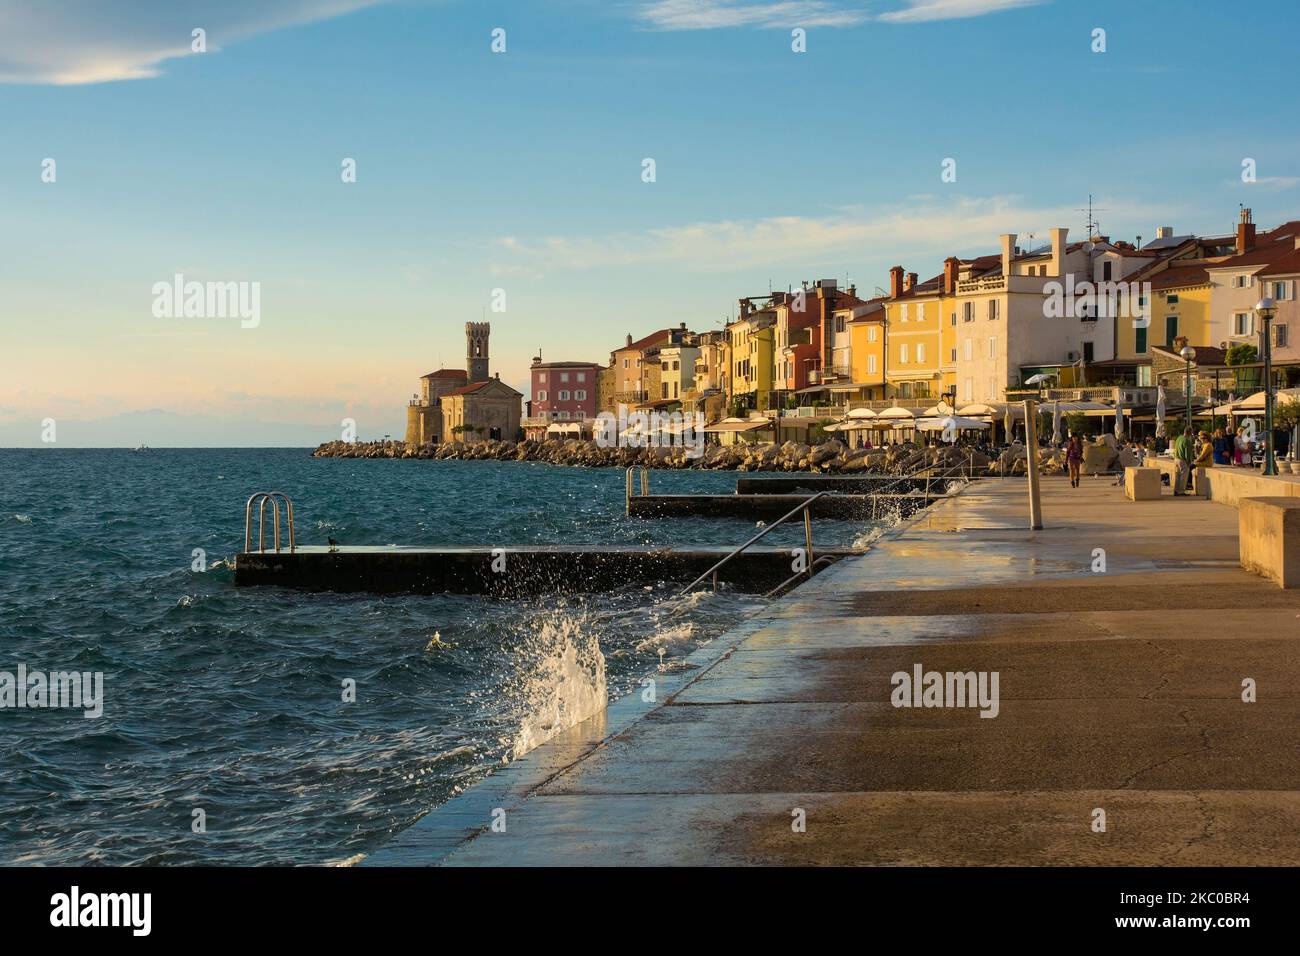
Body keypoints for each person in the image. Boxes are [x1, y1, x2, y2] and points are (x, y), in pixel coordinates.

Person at [1173, 426, 1194, 495]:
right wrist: (1188, 462)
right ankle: (1181, 491)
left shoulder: (1179, 438)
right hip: (1182, 460)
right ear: (1190, 433)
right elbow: (1187, 453)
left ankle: (1176, 490)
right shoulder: (1186, 440)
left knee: (1177, 475)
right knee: (1183, 476)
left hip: (1176, 458)